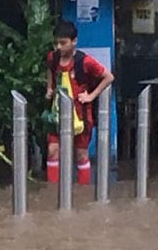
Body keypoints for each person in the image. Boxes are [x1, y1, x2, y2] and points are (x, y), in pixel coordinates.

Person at [45, 19, 115, 185]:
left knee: (81, 154)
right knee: (52, 150)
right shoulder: (52, 58)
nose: (59, 47)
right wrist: (49, 88)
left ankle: (83, 191)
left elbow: (109, 77)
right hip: (57, 113)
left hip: (81, 115)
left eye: (63, 43)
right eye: (56, 43)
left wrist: (91, 96)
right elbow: (49, 69)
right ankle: (51, 190)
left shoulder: (85, 61)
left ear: (74, 41)